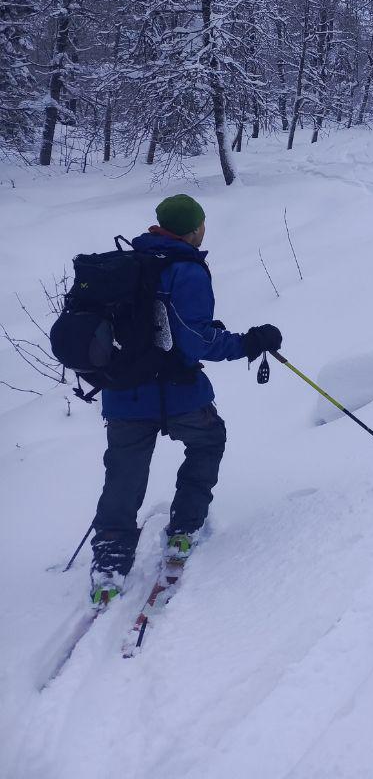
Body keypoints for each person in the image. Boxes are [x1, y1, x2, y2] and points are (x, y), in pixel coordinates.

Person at [88, 194, 282, 607]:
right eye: (202, 224)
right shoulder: (186, 269)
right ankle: (184, 527)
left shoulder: (126, 262)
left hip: (123, 394)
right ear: (193, 229)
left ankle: (110, 555)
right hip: (177, 392)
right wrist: (251, 342)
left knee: (124, 470)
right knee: (208, 440)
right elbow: (195, 342)